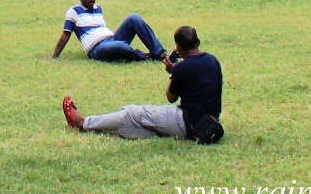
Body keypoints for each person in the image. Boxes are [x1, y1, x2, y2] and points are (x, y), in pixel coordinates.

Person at [62, 25, 224, 144]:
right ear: (198, 42)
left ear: (178, 47)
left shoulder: (181, 68)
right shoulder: (212, 60)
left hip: (187, 122)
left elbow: (170, 97)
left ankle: (83, 123)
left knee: (130, 112)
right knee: (139, 121)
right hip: (210, 120)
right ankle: (127, 131)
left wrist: (171, 72)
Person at [52, 0, 167, 62]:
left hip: (112, 39)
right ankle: (145, 56)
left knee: (134, 18)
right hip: (97, 48)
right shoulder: (73, 11)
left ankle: (160, 53)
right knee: (120, 46)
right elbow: (65, 35)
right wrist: (54, 57)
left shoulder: (98, 8)